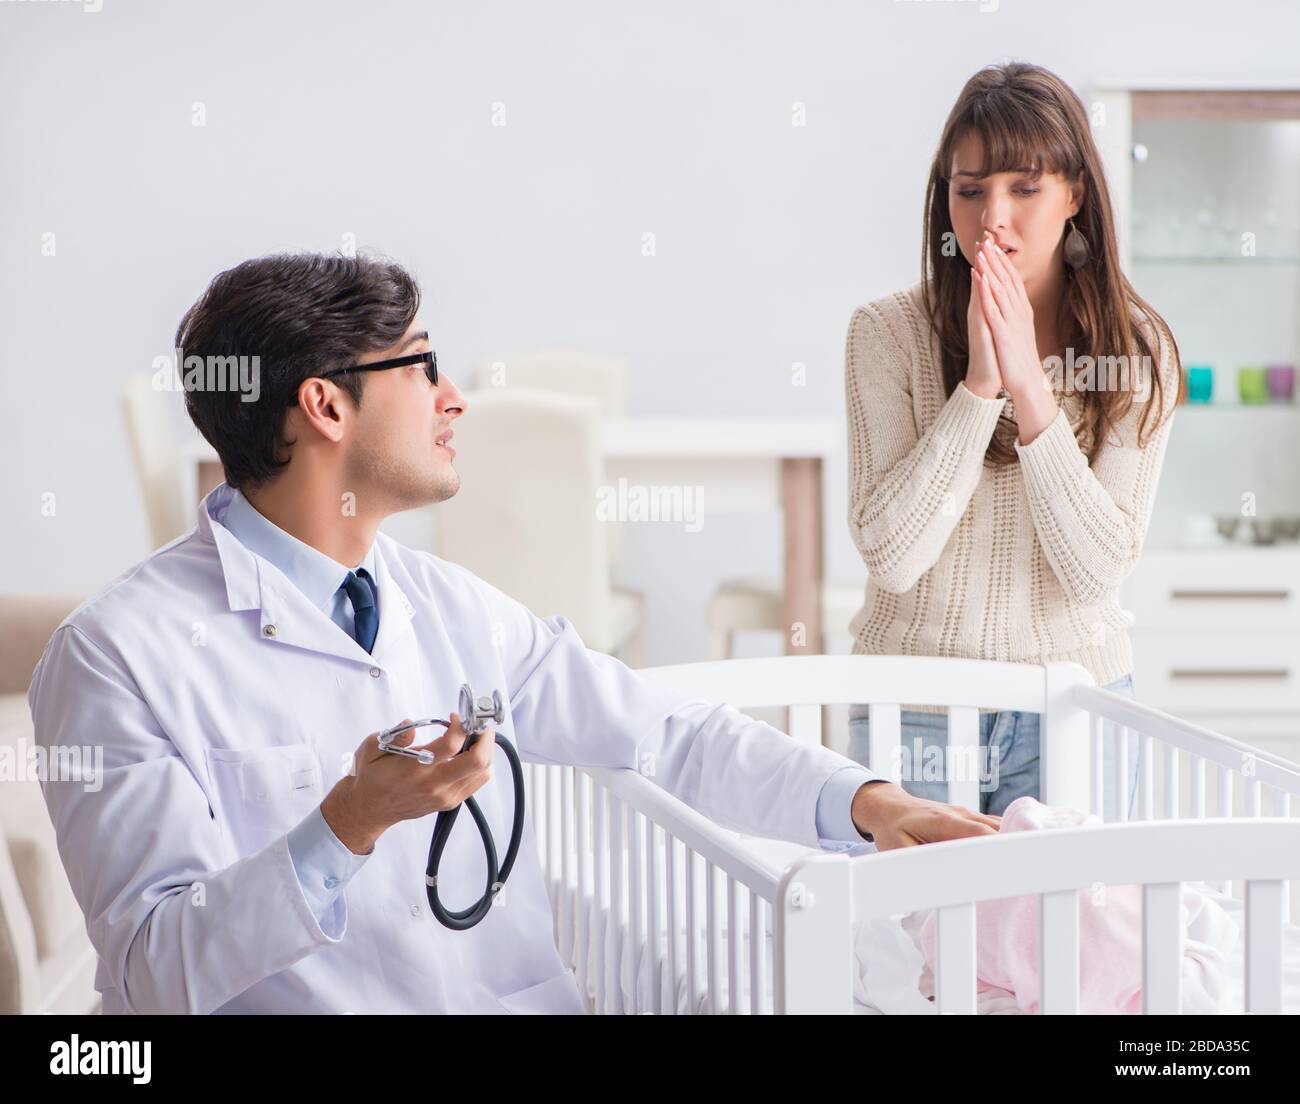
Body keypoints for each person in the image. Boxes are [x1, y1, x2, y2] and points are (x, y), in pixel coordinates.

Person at [30, 252, 998, 1015]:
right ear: (324, 405)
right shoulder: (119, 654)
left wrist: (868, 801)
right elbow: (155, 972)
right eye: (420, 368)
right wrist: (347, 823)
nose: (454, 399)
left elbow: (664, 732)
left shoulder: (449, 606)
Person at [843, 63, 1183, 817]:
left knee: (1071, 931)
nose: (993, 218)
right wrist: (979, 391)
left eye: (1024, 188)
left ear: (1075, 194)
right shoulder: (885, 333)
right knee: (908, 932)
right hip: (918, 700)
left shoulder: (1139, 348)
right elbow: (892, 558)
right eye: (970, 191)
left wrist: (1031, 388)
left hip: (1074, 699)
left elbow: (1096, 572)